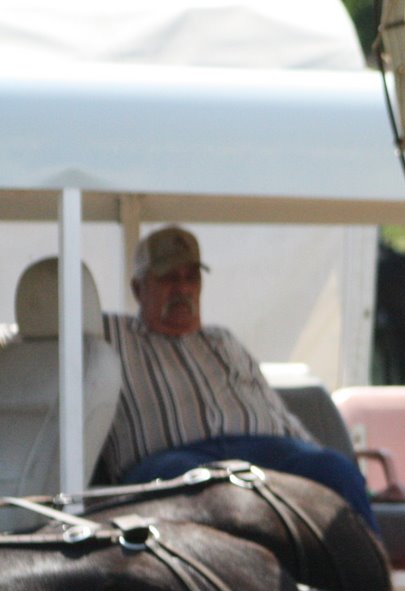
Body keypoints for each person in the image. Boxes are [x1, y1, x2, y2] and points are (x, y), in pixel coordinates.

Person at [101, 225, 379, 531]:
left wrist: (330, 462)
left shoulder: (223, 339)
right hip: (175, 459)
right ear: (138, 289)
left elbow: (276, 411)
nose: (183, 288)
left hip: (266, 451)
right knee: (194, 484)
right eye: (168, 278)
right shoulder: (112, 336)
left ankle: (371, 576)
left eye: (191, 276)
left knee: (334, 470)